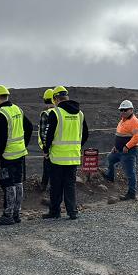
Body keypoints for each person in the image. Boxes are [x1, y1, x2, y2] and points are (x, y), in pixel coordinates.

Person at [43, 86, 89, 220]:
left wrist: (46, 150)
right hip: (73, 157)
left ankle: (55, 212)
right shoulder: (80, 114)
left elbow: (49, 135)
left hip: (57, 157)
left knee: (56, 186)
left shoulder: (55, 113)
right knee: (70, 184)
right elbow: (85, 134)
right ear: (67, 96)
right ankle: (72, 212)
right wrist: (77, 146)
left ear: (56, 99)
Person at [0, 85, 33, 225]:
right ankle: (16, 214)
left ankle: (7, 215)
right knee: (18, 182)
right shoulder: (17, 109)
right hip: (20, 153)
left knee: (7, 184)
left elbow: (1, 139)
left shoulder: (1, 114)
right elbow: (30, 126)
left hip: (7, 156)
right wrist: (23, 144)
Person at [102, 99, 138, 200]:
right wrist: (116, 146)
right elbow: (119, 135)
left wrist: (127, 146)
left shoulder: (134, 121)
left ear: (131, 110)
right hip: (119, 150)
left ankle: (131, 193)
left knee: (130, 172)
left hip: (129, 151)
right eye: (121, 110)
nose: (123, 112)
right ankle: (110, 176)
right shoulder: (122, 121)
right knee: (110, 158)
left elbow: (137, 137)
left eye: (125, 110)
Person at [37, 88, 55, 195]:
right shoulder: (60, 112)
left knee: (47, 166)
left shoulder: (46, 114)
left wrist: (45, 148)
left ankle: (44, 186)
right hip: (59, 148)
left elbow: (44, 133)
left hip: (49, 147)